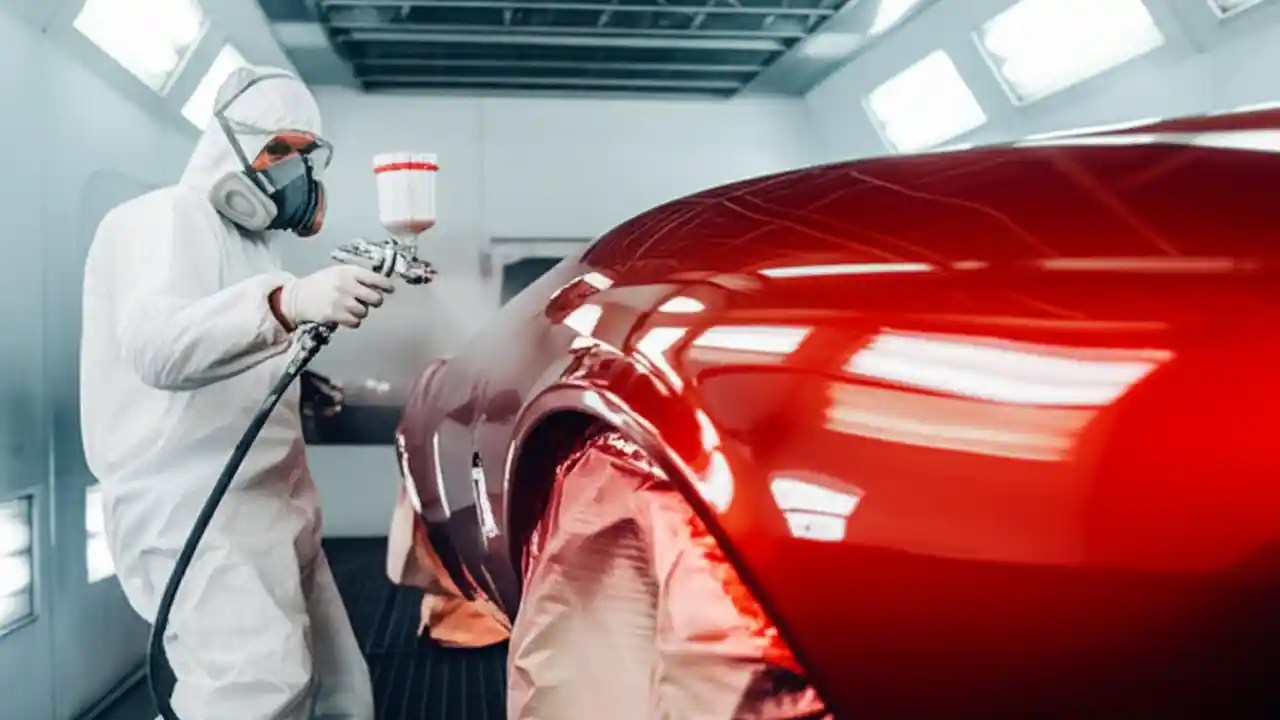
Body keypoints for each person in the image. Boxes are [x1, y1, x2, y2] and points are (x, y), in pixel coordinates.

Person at [80, 65, 387, 719]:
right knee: (253, 696)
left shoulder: (256, 250)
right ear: (230, 145)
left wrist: (299, 319)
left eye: (305, 155)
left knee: (341, 691)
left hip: (274, 504)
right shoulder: (163, 218)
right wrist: (288, 302)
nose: (294, 173)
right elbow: (158, 347)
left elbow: (241, 366)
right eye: (279, 150)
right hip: (196, 510)